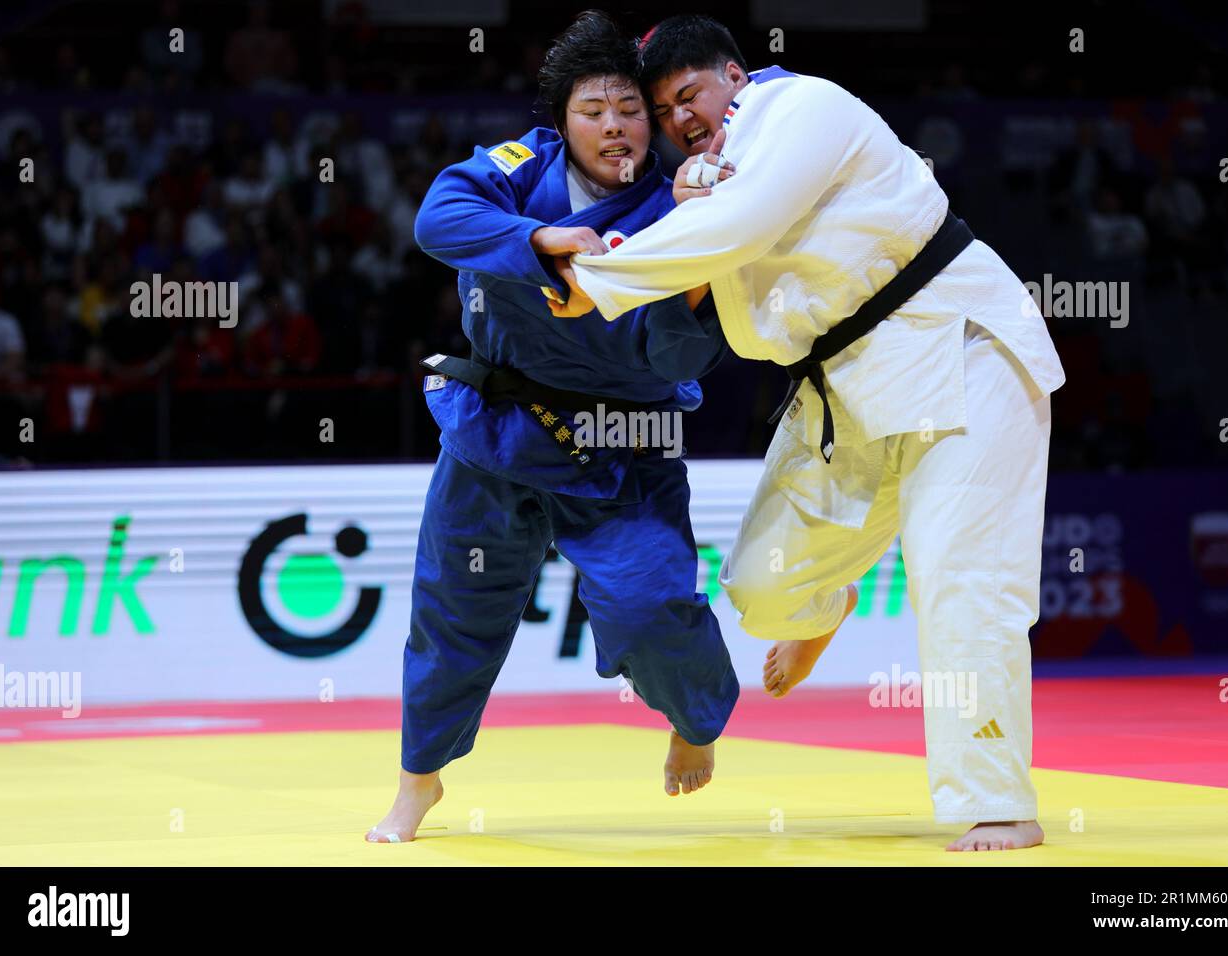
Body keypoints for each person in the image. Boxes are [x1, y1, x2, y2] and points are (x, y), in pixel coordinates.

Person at [555, 16, 1065, 852]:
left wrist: (596, 276)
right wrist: (688, 221)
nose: (681, 119)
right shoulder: (708, 182)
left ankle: (996, 801)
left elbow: (743, 225)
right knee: (760, 586)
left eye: (691, 95)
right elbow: (745, 326)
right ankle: (825, 604)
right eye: (664, 109)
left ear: (735, 75)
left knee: (961, 580)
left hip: (959, 351)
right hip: (845, 391)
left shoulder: (801, 111)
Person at [367, 11, 738, 844]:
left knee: (652, 608)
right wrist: (539, 238)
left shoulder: (685, 204)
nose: (615, 126)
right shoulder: (518, 167)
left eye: (630, 109)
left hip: (625, 444)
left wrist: (690, 273)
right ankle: (416, 783)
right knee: (452, 611)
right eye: (593, 110)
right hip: (495, 429)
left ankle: (695, 721)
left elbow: (683, 355)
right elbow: (438, 219)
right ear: (561, 123)